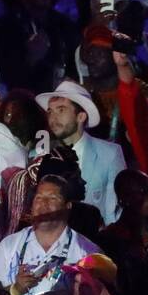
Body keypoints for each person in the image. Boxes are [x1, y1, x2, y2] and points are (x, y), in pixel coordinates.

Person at [0, 175, 102, 295]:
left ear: (67, 206)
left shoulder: (87, 252)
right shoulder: (10, 245)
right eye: (38, 197)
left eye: (52, 198)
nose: (43, 203)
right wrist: (15, 289)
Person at [35, 80, 126, 226]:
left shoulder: (109, 154)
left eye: (61, 110)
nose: (53, 118)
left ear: (81, 117)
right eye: (50, 111)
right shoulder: (39, 155)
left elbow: (113, 215)